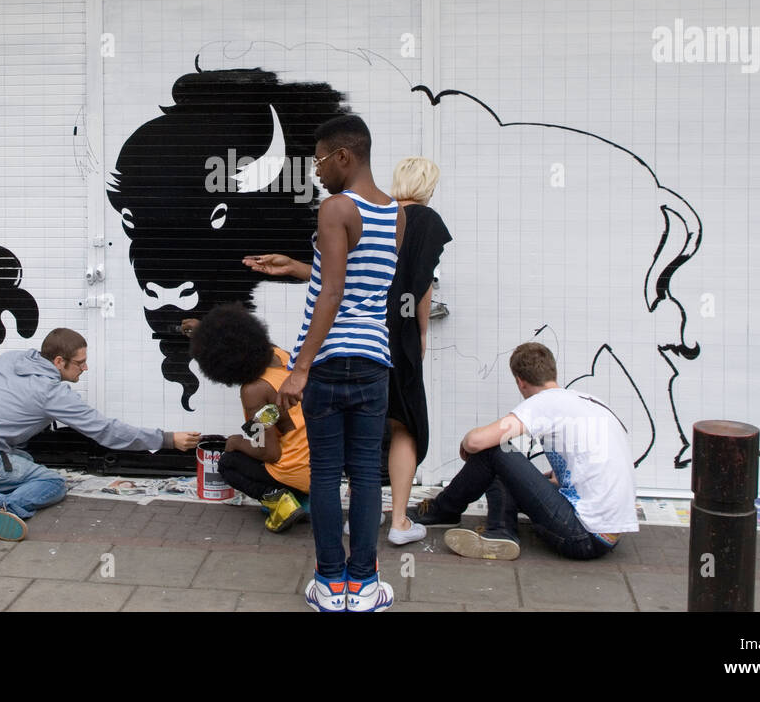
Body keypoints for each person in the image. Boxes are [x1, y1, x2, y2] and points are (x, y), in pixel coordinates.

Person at [244, 113, 405, 613]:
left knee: (325, 475)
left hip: (330, 362)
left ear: (343, 156)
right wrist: (295, 267)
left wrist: (301, 367)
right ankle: (364, 585)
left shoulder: (336, 207)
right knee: (362, 474)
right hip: (374, 361)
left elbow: (334, 291)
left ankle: (329, 583)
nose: (315, 171)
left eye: (318, 160)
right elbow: (358, 279)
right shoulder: (397, 213)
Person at [0, 327, 200, 541]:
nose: (85, 368)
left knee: (21, 457)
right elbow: (106, 432)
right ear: (59, 361)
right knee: (51, 484)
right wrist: (167, 439)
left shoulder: (11, 359)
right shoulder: (51, 393)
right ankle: (0, 509)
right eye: (80, 363)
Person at [409, 342, 638, 560]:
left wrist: (466, 444)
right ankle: (500, 532)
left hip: (582, 536)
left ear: (520, 382)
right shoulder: (586, 401)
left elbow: (477, 442)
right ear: (552, 372)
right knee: (504, 467)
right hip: (608, 534)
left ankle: (444, 511)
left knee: (496, 449)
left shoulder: (545, 402)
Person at [181, 305, 311, 533]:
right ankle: (300, 496)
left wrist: (237, 442)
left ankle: (281, 502)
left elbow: (269, 452)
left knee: (229, 463)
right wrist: (205, 331)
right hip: (323, 469)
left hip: (298, 473)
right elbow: (239, 341)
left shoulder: (254, 391)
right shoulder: (280, 356)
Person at [382, 157, 452, 546]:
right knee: (404, 425)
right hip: (401, 335)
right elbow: (422, 284)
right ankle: (398, 523)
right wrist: (421, 332)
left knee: (364, 423)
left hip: (361, 331)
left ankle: (357, 518)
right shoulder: (427, 222)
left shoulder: (374, 214)